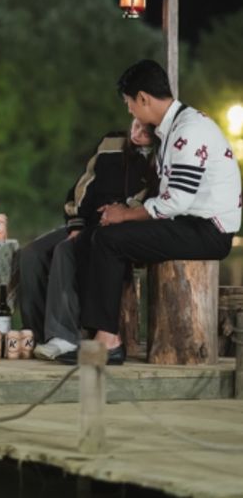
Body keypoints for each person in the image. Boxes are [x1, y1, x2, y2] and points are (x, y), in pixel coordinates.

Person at [57, 59, 242, 365]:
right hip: (186, 223)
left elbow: (175, 201)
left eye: (129, 104)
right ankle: (95, 333)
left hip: (208, 230)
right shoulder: (174, 127)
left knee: (109, 240)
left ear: (143, 98)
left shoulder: (189, 130)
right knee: (94, 236)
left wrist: (124, 214)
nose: (131, 112)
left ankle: (108, 341)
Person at [19, 117, 157, 360]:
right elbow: (84, 184)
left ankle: (63, 336)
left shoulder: (164, 155)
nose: (137, 134)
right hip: (87, 222)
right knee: (31, 254)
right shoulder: (111, 142)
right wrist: (76, 222)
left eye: (146, 131)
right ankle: (36, 336)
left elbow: (153, 200)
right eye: (136, 126)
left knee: (66, 250)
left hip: (122, 229)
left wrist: (122, 212)